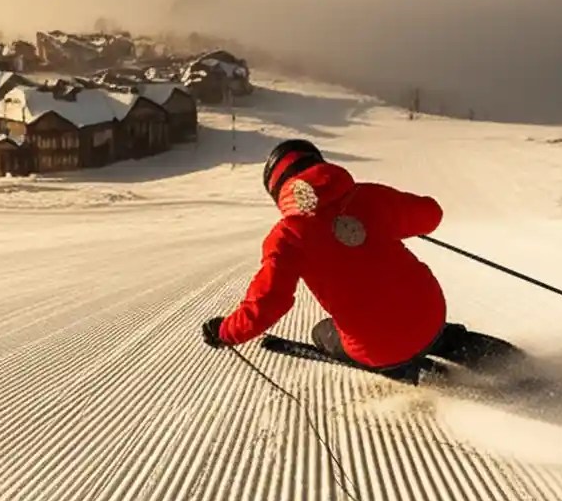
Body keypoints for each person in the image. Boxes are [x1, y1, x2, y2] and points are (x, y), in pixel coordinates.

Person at [200, 139, 517, 379]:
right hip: (428, 313)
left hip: (377, 346)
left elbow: (268, 302)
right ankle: (515, 363)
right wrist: (386, 216)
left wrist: (226, 331)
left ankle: (410, 371)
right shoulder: (366, 197)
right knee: (441, 335)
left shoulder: (286, 236)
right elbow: (431, 215)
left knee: (322, 333)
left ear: (277, 191)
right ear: (319, 166)